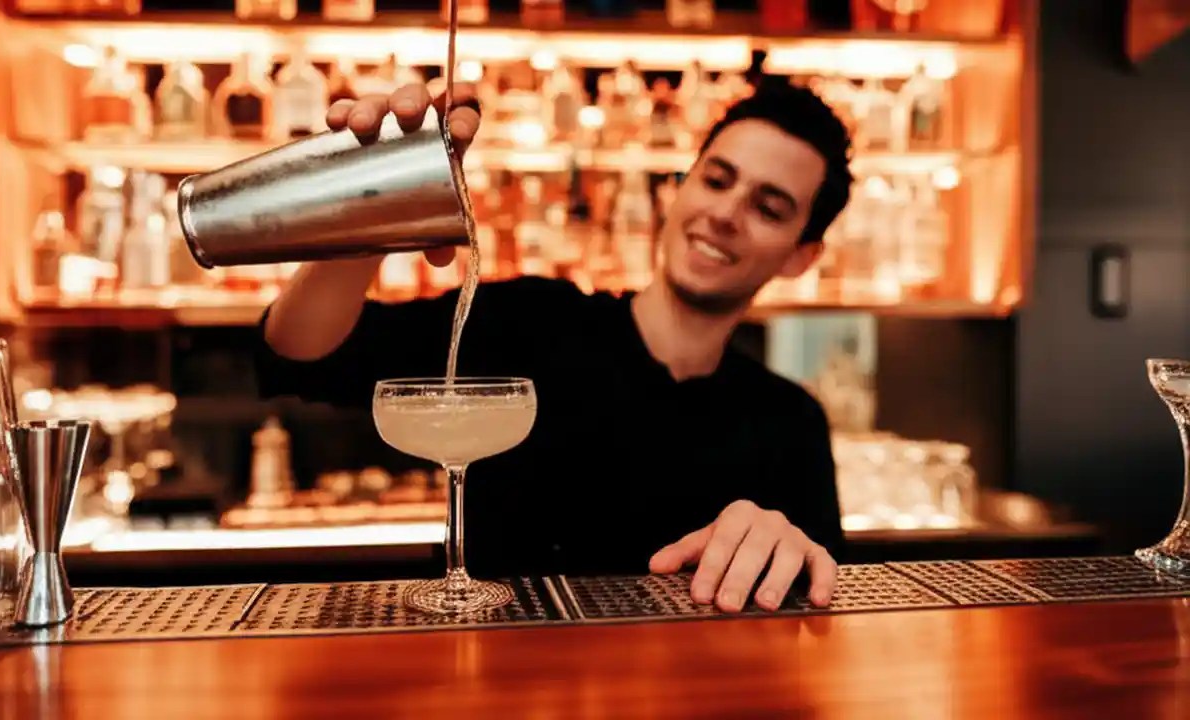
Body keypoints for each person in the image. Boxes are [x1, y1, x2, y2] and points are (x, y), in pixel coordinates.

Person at [254, 75, 854, 614]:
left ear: (802, 256)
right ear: (678, 190)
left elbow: (823, 592)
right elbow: (302, 356)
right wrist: (372, 201)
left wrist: (792, 550)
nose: (725, 213)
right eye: (716, 180)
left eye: (768, 209)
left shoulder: (790, 422)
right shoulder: (529, 320)